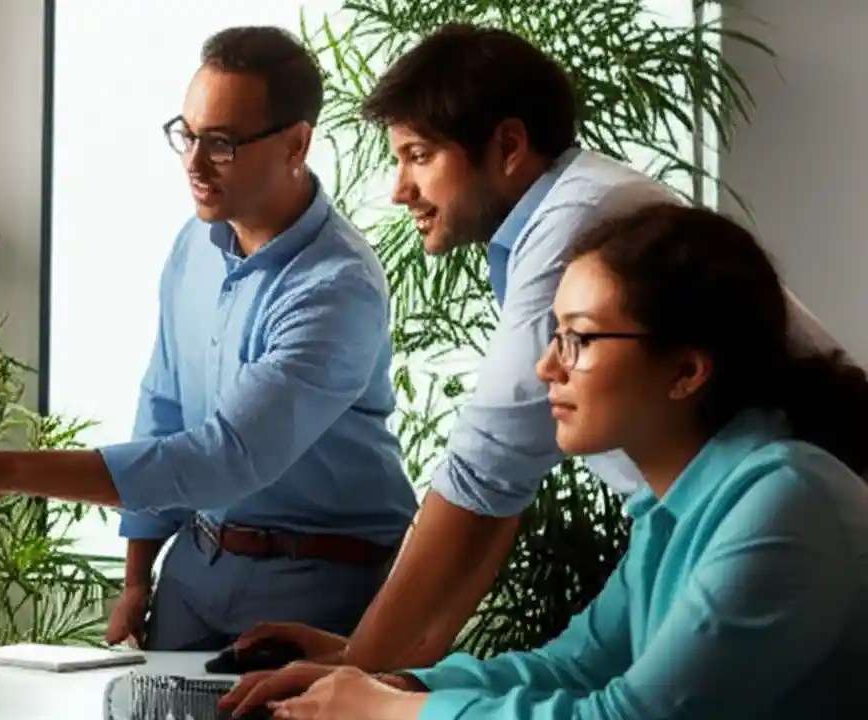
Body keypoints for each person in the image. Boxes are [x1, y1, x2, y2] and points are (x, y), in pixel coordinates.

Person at [225, 21, 842, 682]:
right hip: (721, 527)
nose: (399, 189)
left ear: (509, 146)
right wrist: (381, 670)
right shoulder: (561, 218)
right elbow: (500, 489)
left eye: (418, 155)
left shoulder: (576, 228)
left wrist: (358, 675)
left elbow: (481, 473)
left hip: (783, 539)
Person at [0, 26, 417, 652]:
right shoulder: (195, 246)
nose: (194, 163)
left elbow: (222, 457)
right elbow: (164, 412)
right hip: (196, 566)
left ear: (296, 143)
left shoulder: (337, 288)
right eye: (188, 134)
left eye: (223, 144)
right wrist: (135, 579)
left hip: (321, 578)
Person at [233, 203, 868, 719]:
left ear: (686, 370)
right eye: (554, 333)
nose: (547, 366)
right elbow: (577, 665)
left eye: (579, 338)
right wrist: (397, 683)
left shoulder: (786, 499)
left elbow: (630, 718)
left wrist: (388, 713)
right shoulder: (673, 506)